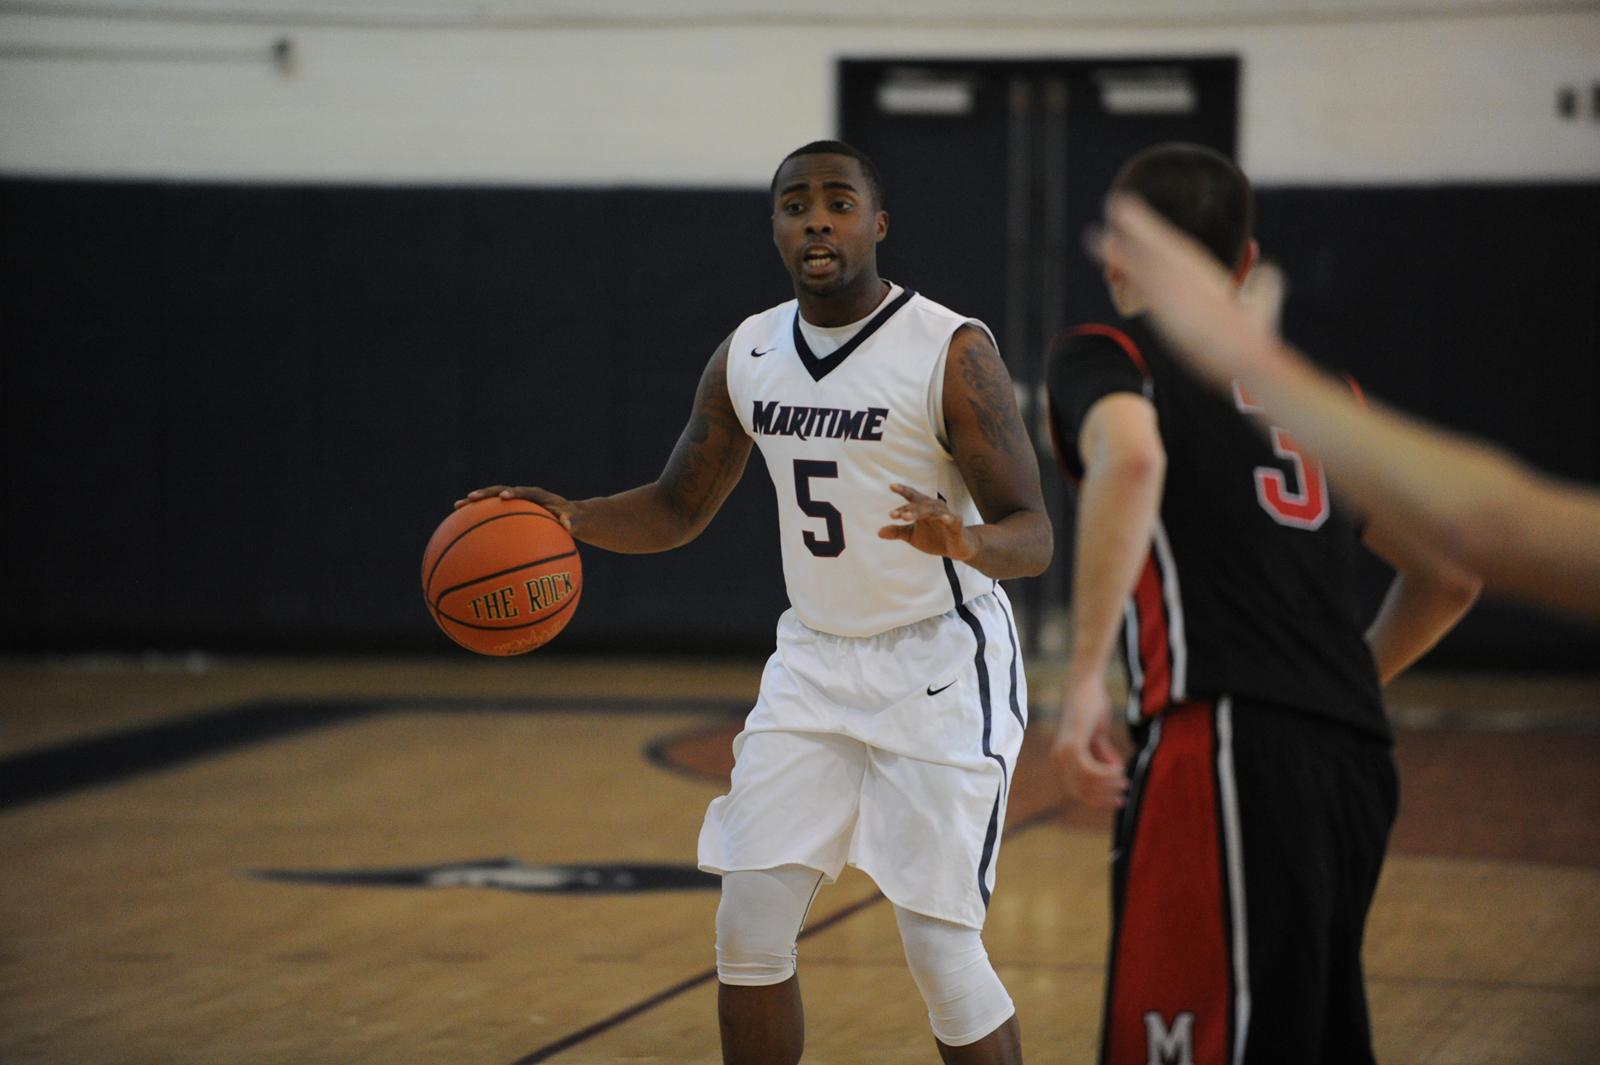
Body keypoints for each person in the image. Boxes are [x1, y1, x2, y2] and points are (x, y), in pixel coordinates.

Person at [460, 140, 1051, 1065]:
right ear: (775, 227)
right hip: (814, 659)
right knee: (748, 926)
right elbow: (675, 507)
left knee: (938, 947)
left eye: (838, 201)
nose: (817, 218)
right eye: (794, 204)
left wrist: (966, 539)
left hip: (941, 662)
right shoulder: (749, 352)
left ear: (877, 223)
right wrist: (567, 516)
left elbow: (1035, 531)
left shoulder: (948, 349)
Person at [1043, 143, 1480, 1064]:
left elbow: (1132, 457)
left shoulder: (1110, 350)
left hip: (1224, 742)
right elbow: (1450, 574)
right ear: (1244, 266)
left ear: (1120, 256)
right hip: (1355, 758)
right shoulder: (1318, 394)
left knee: (1188, 1041)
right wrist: (1336, 683)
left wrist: (1085, 679)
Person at [1091, 191, 1600, 620]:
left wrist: (1253, 361)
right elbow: (1456, 574)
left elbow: (1483, 529)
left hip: (1216, 705)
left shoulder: (1110, 368)